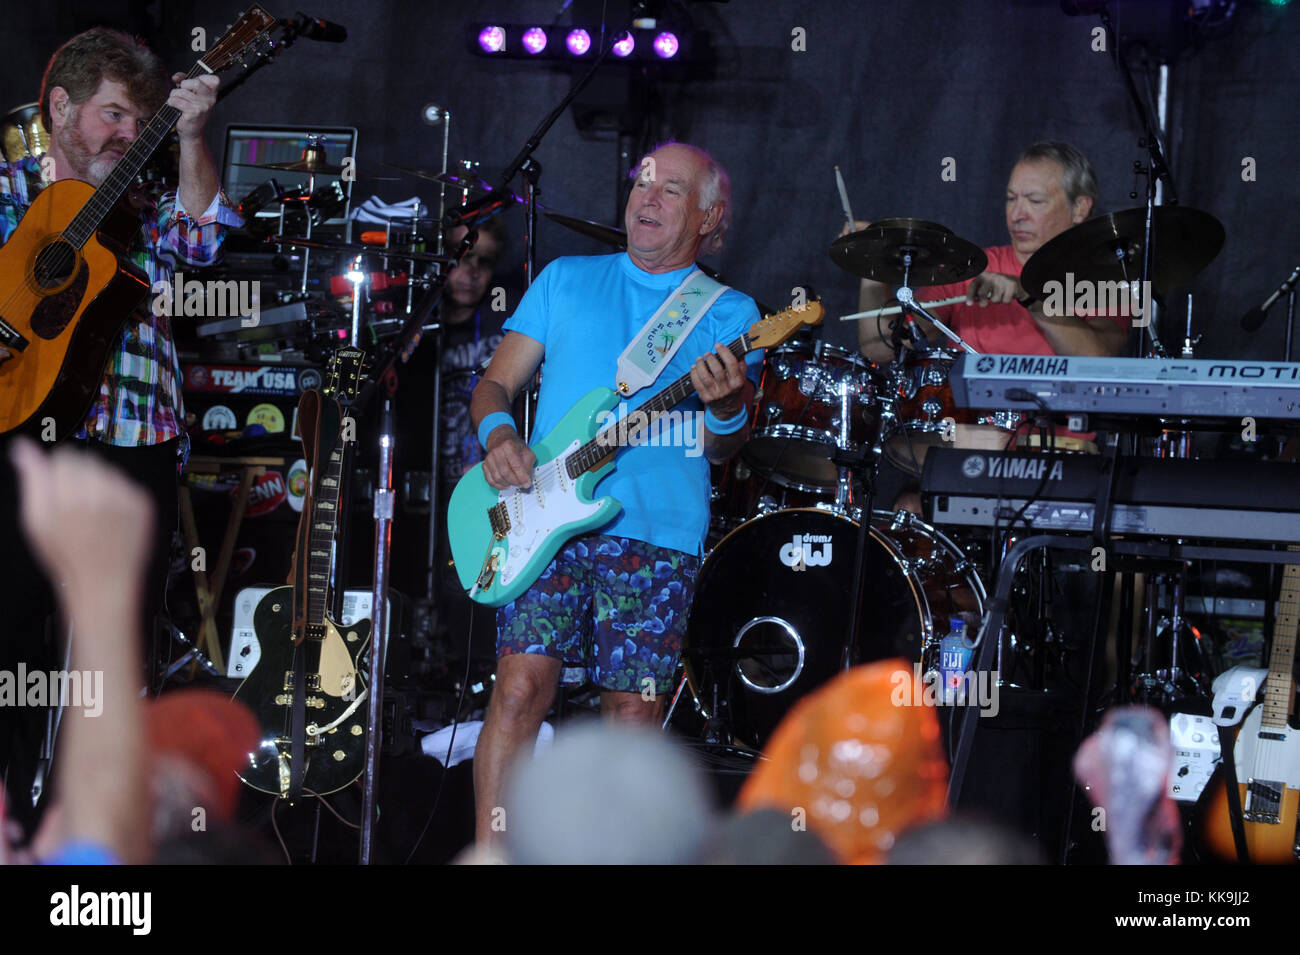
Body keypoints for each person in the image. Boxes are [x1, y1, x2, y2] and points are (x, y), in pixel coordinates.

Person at [467, 142, 761, 845]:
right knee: (517, 691)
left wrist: (725, 406)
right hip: (545, 518)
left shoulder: (729, 311)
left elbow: (726, 446)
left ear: (709, 215)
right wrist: (501, 436)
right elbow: (493, 386)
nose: (648, 197)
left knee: (632, 713)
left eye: (672, 189)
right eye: (643, 183)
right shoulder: (567, 278)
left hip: (656, 531)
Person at [0, 26, 239, 829]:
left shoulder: (147, 208)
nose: (128, 135)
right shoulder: (7, 190)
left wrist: (195, 133)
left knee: (110, 651)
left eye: (141, 122)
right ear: (60, 106)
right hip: (18, 431)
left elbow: (204, 239)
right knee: (9, 636)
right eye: (112, 115)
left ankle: (85, 829)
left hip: (133, 438)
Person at [855, 141, 1128, 364]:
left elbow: (1098, 361)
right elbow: (882, 351)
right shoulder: (970, 268)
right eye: (1011, 199)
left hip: (1057, 432)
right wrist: (872, 268)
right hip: (968, 429)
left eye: (1035, 201)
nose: (1017, 215)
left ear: (1080, 207)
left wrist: (1028, 296)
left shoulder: (1105, 281)